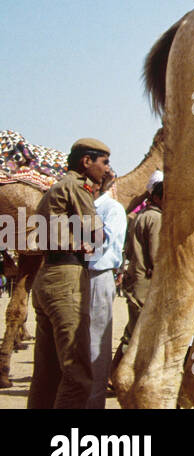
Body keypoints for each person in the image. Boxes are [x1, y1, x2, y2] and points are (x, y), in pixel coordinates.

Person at [28, 138, 109, 409]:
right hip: (66, 279)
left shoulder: (58, 188)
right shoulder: (78, 186)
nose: (107, 169)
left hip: (48, 276)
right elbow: (97, 236)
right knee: (78, 376)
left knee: (47, 374)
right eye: (104, 162)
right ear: (86, 162)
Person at [85, 164, 126, 407]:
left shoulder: (111, 209)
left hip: (99, 274)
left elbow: (102, 241)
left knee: (97, 345)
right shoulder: (90, 208)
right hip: (81, 276)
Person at [115, 176, 162, 370]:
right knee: (136, 333)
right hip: (145, 284)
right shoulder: (156, 218)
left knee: (133, 330)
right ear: (159, 198)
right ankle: (115, 373)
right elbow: (157, 255)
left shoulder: (141, 215)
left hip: (136, 280)